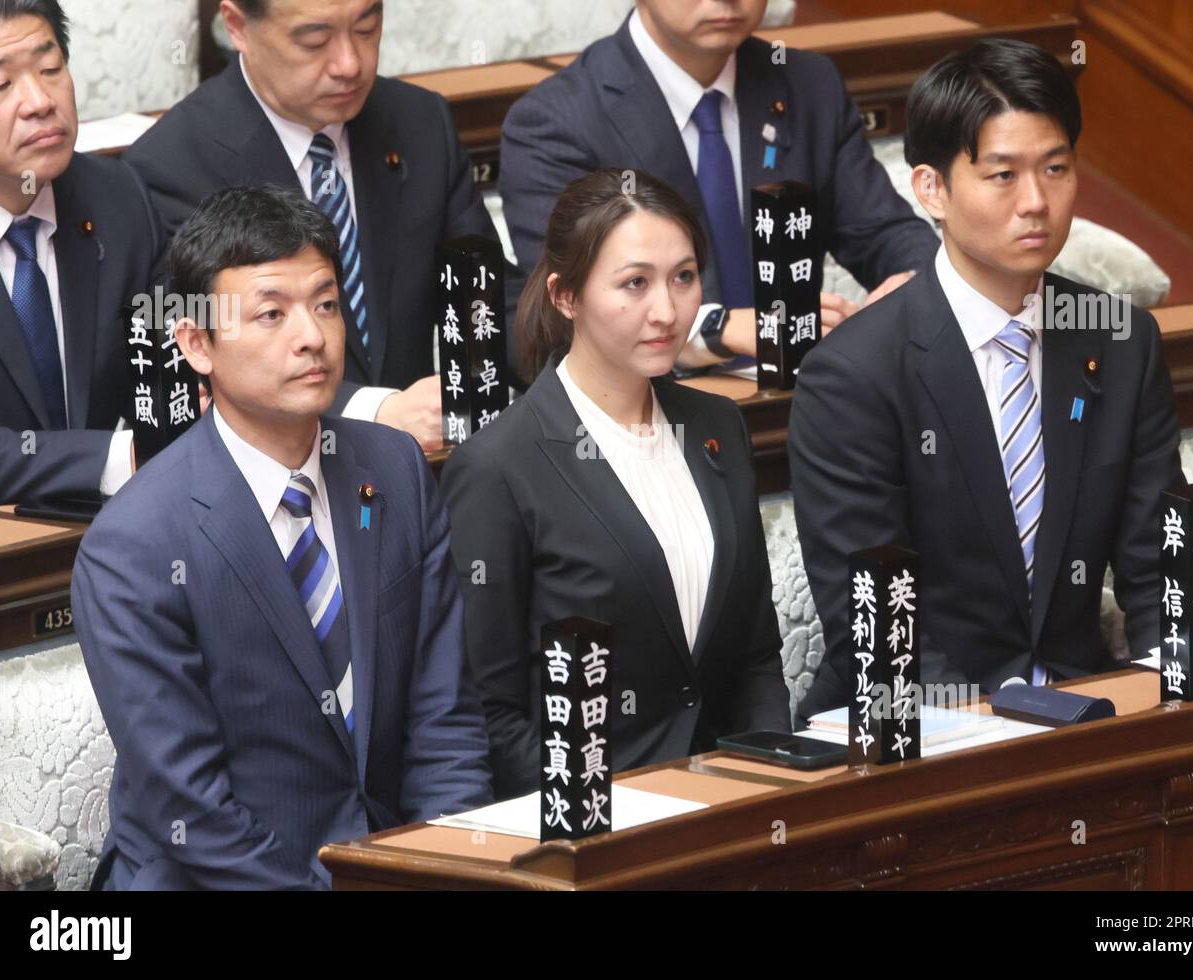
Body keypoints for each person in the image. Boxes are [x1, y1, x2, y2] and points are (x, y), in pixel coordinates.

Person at [71, 184, 492, 890]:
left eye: (326, 304)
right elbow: (193, 814)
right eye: (272, 313)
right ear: (196, 342)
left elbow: (444, 719)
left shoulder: (393, 472)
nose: (312, 336)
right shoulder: (135, 546)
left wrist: (442, 872)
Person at [791, 39, 1185, 723]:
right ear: (931, 189)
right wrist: (1006, 730)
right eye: (1003, 176)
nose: (1037, 202)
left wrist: (1172, 703)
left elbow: (1159, 572)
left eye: (1056, 168)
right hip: (922, 728)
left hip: (1083, 712)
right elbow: (878, 628)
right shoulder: (852, 374)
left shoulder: (1121, 339)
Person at [440, 168, 790, 800]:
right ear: (565, 296)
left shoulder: (718, 426)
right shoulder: (499, 466)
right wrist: (601, 813)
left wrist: (765, 789)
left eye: (683, 277)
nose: (667, 310)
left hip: (730, 809)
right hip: (592, 825)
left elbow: (757, 654)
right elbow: (492, 713)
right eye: (635, 283)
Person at [124, 0, 503, 449]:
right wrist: (376, 410)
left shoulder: (419, 122)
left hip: (423, 471)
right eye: (315, 40)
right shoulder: (172, 163)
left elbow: (489, 292)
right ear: (238, 26)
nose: (349, 64)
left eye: (366, 28)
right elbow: (192, 359)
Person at [500, 0, 937, 369]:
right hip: (649, 422)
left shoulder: (808, 83)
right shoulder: (556, 120)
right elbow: (562, 317)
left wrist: (914, 284)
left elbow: (885, 232)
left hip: (800, 400)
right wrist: (719, 329)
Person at [0, 0, 163, 505]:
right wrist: (109, 458)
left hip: (134, 530)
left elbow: (174, 348)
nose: (40, 101)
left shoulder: (119, 198)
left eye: (51, 68)